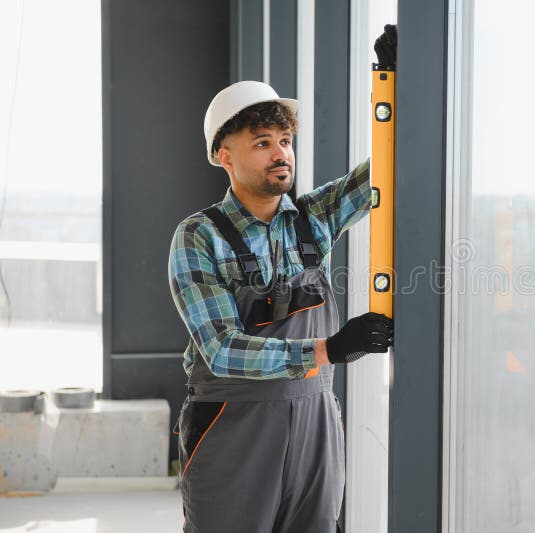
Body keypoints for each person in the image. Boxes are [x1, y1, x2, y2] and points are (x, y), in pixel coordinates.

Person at [167, 80, 393, 533]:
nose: (281, 154)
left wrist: (394, 83)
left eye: (285, 141)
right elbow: (221, 349)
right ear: (225, 155)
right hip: (233, 426)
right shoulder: (198, 237)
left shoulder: (314, 220)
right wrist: (328, 350)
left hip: (315, 424)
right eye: (262, 143)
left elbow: (385, 169)